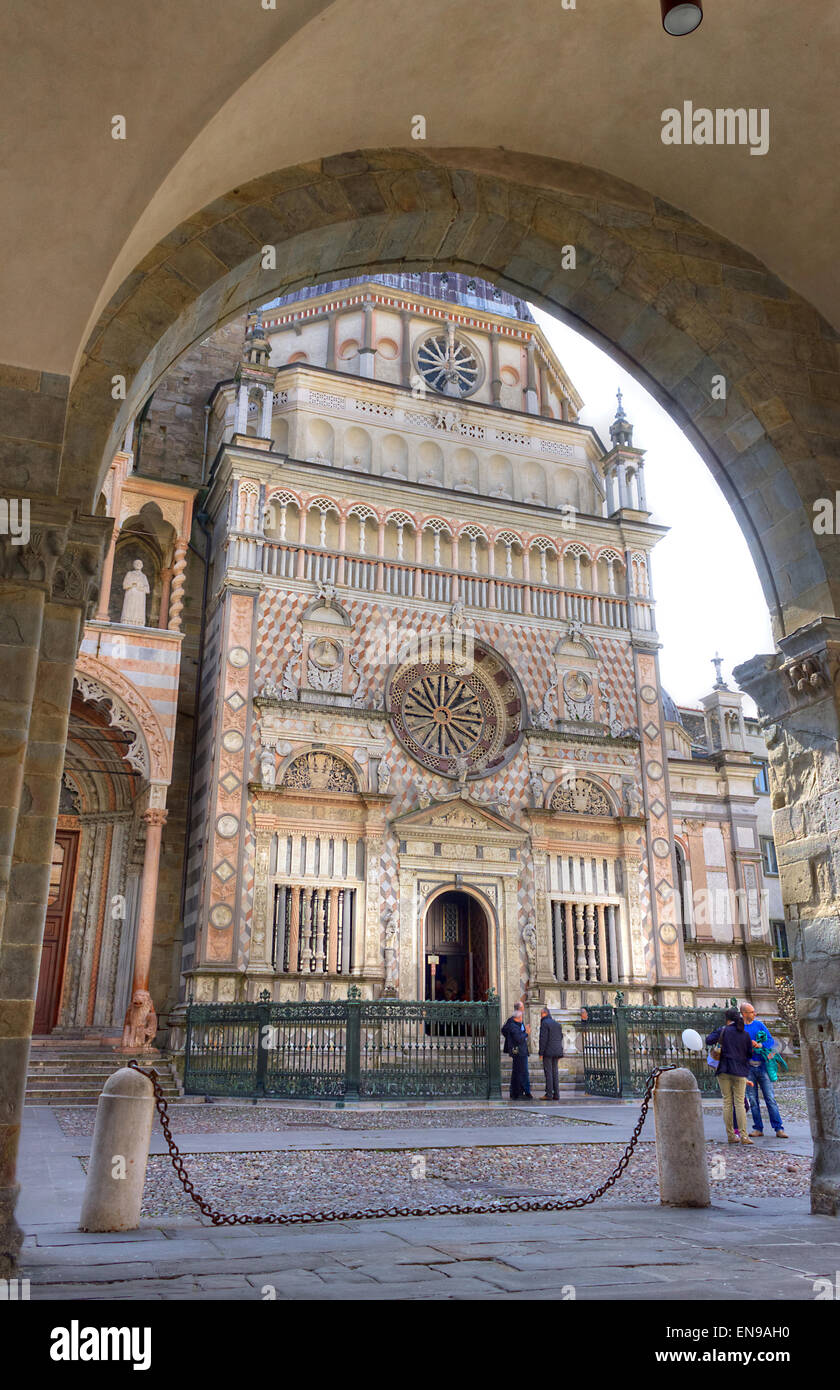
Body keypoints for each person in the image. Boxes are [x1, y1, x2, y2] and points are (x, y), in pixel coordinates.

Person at [706, 1007, 756, 1145]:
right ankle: (744, 1136)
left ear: (727, 1019)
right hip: (740, 1071)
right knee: (739, 1103)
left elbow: (708, 1040)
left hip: (724, 1070)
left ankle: (731, 1135)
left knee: (727, 1102)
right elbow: (750, 1054)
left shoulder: (723, 1031)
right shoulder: (744, 1034)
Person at [740, 1001, 789, 1139]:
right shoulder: (740, 1028)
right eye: (751, 1012)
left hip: (762, 1066)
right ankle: (758, 1128)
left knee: (770, 1098)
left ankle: (779, 1128)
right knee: (753, 1100)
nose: (754, 1014)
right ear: (744, 1014)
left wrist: (760, 1044)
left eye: (754, 1011)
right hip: (748, 1067)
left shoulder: (759, 1025)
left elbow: (770, 1041)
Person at [501, 1005, 532, 1101]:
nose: (522, 1018)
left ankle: (517, 1092)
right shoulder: (513, 1026)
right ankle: (519, 1092)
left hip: (521, 1050)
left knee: (518, 1072)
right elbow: (518, 1038)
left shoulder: (515, 1025)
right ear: (517, 1018)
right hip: (519, 1051)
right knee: (521, 1072)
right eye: (521, 1017)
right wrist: (526, 1033)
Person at [538, 1006, 564, 1101]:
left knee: (548, 1072)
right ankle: (556, 1094)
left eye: (541, 1014)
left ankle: (549, 1094)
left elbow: (543, 1039)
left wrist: (541, 1052)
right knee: (555, 1072)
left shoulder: (545, 1023)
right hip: (557, 1051)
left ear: (545, 1013)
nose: (540, 1016)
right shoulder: (557, 1024)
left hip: (548, 1051)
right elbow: (560, 1037)